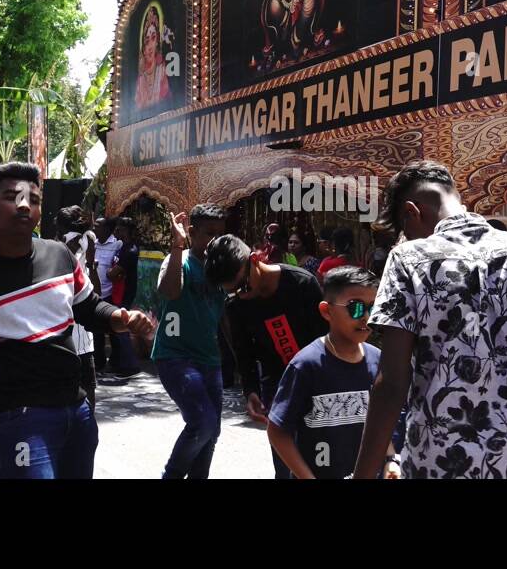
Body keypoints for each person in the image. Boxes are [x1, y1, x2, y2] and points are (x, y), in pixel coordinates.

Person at [354, 160, 507, 479]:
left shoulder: (408, 260)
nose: (406, 239)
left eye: (404, 230)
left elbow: (392, 386)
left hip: (437, 468)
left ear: (412, 212)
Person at [0, 163, 154, 479]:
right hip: (14, 419)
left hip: (76, 412)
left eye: (33, 198)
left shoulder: (59, 256)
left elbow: (89, 309)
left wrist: (122, 318)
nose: (24, 205)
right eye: (12, 196)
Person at [205, 234, 329, 478]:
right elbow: (244, 351)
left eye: (244, 286)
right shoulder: (237, 305)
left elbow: (326, 339)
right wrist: (250, 391)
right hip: (277, 385)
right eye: (232, 291)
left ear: (255, 258)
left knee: (318, 460)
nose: (242, 295)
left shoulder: (301, 284)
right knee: (284, 465)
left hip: (317, 382)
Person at [268, 266, 401, 479]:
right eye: (355, 308)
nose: (366, 317)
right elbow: (277, 430)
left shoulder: (378, 361)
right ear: (326, 311)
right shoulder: (306, 365)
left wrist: (391, 460)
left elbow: (382, 422)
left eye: (373, 307)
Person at [152, 204, 228, 479]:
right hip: (175, 356)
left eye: (220, 234)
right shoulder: (179, 260)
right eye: (210, 234)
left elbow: (225, 318)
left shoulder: (220, 270)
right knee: (202, 423)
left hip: (210, 359)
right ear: (192, 232)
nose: (216, 241)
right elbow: (169, 291)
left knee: (212, 431)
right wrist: (176, 245)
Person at [56, 206, 99, 410]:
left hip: (78, 330)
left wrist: (89, 261)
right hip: (63, 329)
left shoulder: (78, 250)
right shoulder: (57, 250)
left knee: (85, 384)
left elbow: (94, 292)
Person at [91, 217, 137, 377]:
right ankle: (104, 363)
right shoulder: (120, 247)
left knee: (119, 330)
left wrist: (111, 273)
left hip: (118, 295)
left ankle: (128, 365)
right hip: (102, 293)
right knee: (103, 330)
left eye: (121, 229)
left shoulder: (127, 250)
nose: (117, 232)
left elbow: (113, 274)